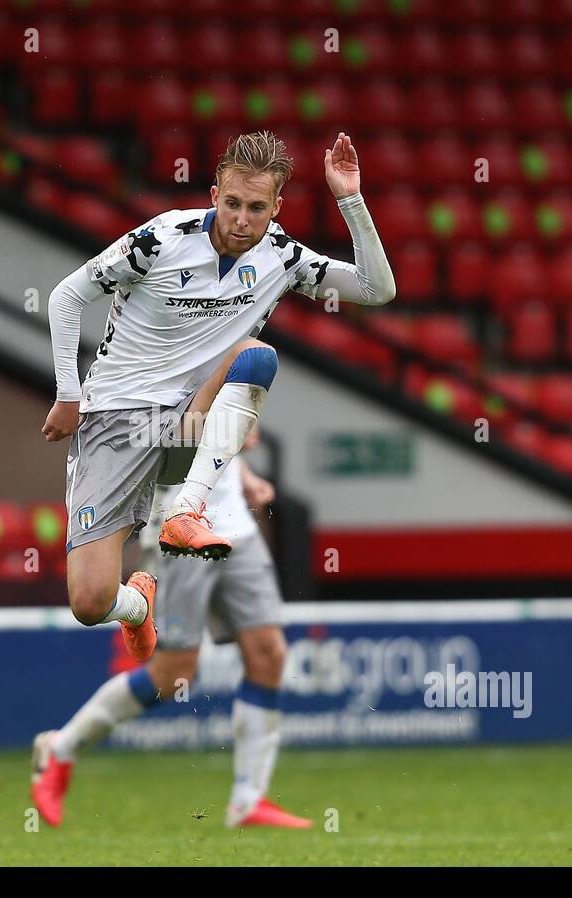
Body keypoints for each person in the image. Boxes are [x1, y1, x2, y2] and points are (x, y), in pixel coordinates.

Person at [42, 130, 394, 668]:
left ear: (276, 207)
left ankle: (187, 510)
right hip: (116, 423)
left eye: (257, 207)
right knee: (89, 604)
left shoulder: (281, 256)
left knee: (256, 354)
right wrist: (68, 394)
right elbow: (68, 295)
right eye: (232, 203)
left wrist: (349, 197)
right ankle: (138, 605)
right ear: (213, 196)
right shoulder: (161, 238)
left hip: (188, 424)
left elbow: (376, 289)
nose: (241, 219)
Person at [31, 429, 310, 828]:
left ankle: (249, 799)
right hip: (179, 531)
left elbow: (218, 422)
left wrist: (241, 473)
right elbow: (166, 425)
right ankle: (61, 748)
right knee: (173, 675)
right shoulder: (155, 372)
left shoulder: (218, 367)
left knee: (269, 653)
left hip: (237, 531)